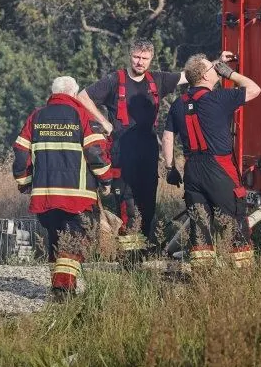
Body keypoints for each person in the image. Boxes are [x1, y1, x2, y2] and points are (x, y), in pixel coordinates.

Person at [77, 40, 185, 249]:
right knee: (128, 205)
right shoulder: (114, 80)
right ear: (130, 55)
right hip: (121, 153)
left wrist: (218, 64)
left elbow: (189, 74)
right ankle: (130, 258)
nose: (140, 62)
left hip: (148, 152)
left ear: (151, 59)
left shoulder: (158, 80)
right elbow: (82, 97)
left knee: (148, 205)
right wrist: (104, 122)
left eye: (145, 58)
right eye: (137, 57)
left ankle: (143, 249)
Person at [13, 76, 114, 300]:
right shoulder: (82, 116)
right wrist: (106, 179)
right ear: (73, 93)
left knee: (56, 240)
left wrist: (24, 182)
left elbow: (21, 153)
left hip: (45, 196)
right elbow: (96, 152)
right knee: (74, 241)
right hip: (77, 196)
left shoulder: (36, 116)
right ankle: (63, 291)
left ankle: (59, 287)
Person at [161, 52, 261, 268]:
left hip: (192, 171)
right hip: (218, 167)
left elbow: (168, 136)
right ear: (205, 77)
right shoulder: (219, 98)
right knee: (236, 217)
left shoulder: (178, 104)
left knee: (200, 224)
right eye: (212, 69)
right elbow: (255, 89)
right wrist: (231, 73)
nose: (216, 70)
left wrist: (170, 167)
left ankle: (202, 273)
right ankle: (243, 271)